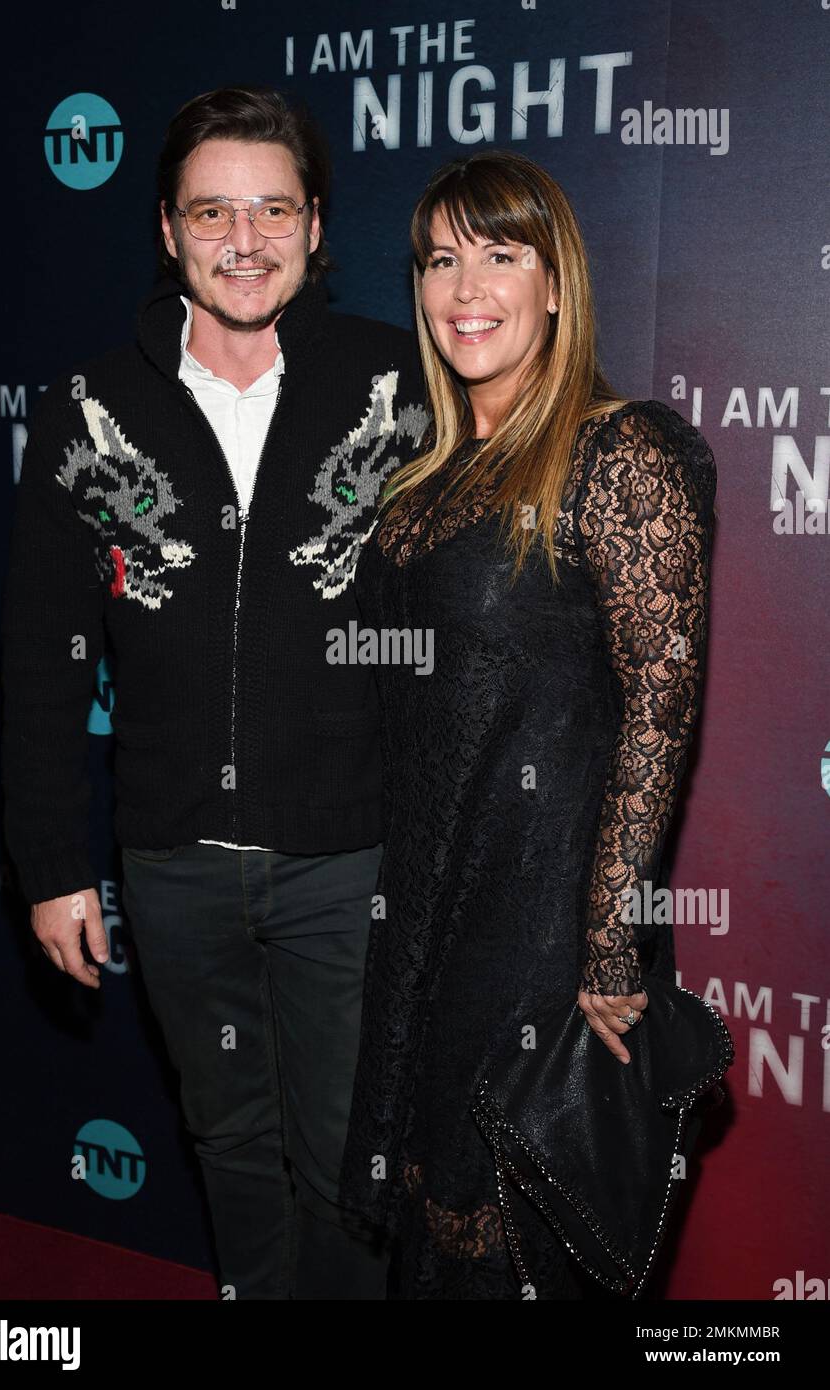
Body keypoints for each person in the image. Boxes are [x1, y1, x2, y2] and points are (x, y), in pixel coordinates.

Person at [0, 86, 429, 1300]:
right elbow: (40, 659)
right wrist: (48, 863)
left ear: (314, 223)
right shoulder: (89, 408)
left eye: (273, 208)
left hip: (347, 856)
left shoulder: (397, 391)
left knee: (351, 1159)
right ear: (167, 230)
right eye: (212, 212)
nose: (245, 240)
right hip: (174, 862)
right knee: (229, 1145)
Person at [338, 149, 717, 1300]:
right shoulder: (424, 480)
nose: (466, 287)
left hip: (545, 927)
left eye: (501, 255)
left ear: (556, 282)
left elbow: (661, 698)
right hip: (429, 915)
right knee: (423, 1227)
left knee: (510, 1240)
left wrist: (608, 938)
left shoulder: (619, 453)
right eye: (442, 259)